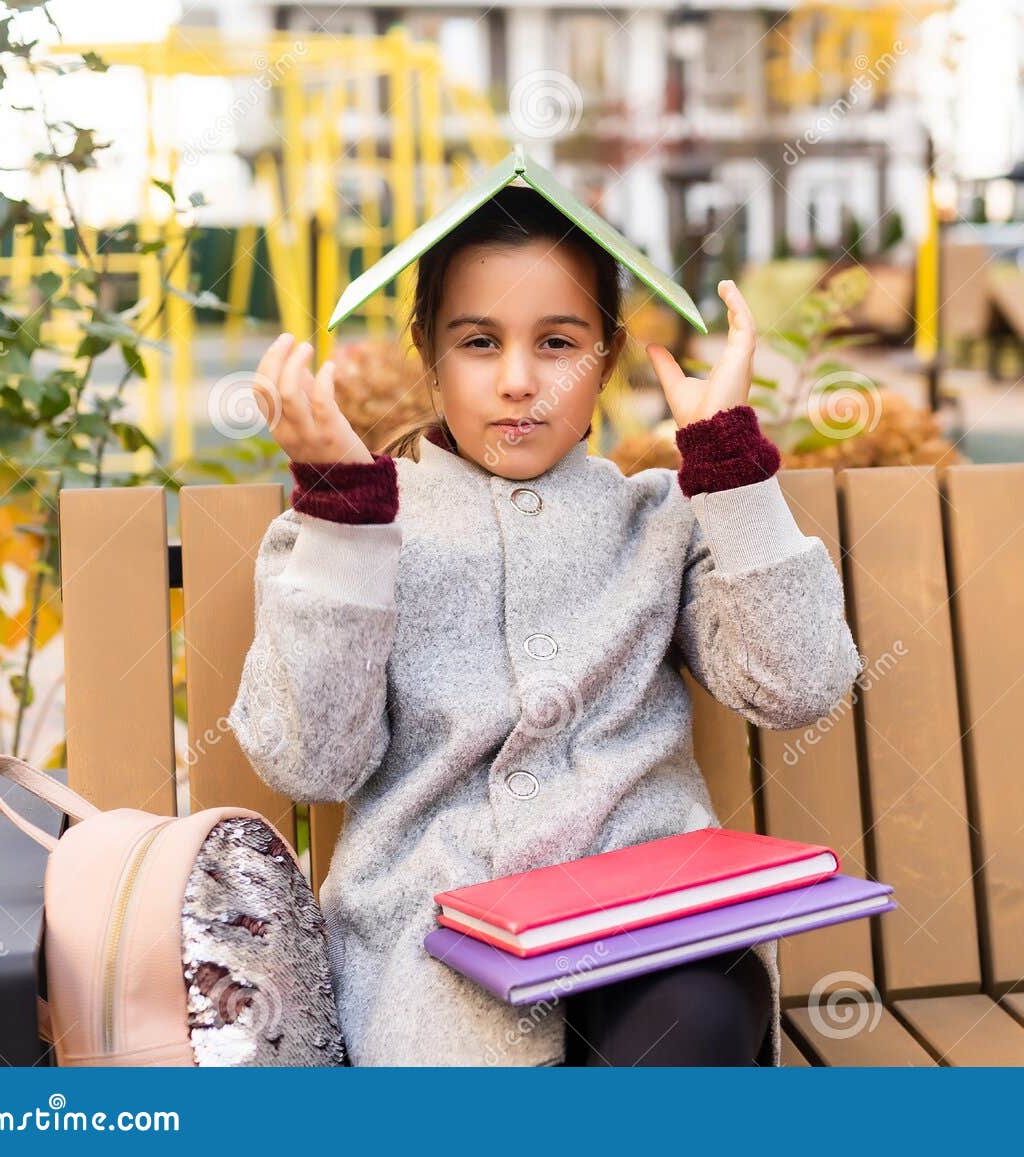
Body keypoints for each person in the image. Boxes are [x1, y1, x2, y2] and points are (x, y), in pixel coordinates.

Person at [227, 183, 861, 1066]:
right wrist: (344, 519)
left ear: (605, 363)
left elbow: (800, 684)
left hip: (658, 935)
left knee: (698, 1026)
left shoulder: (660, 518)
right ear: (430, 353)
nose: (519, 379)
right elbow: (314, 763)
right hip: (434, 951)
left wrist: (730, 465)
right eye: (479, 341)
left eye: (558, 343)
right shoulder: (347, 526)